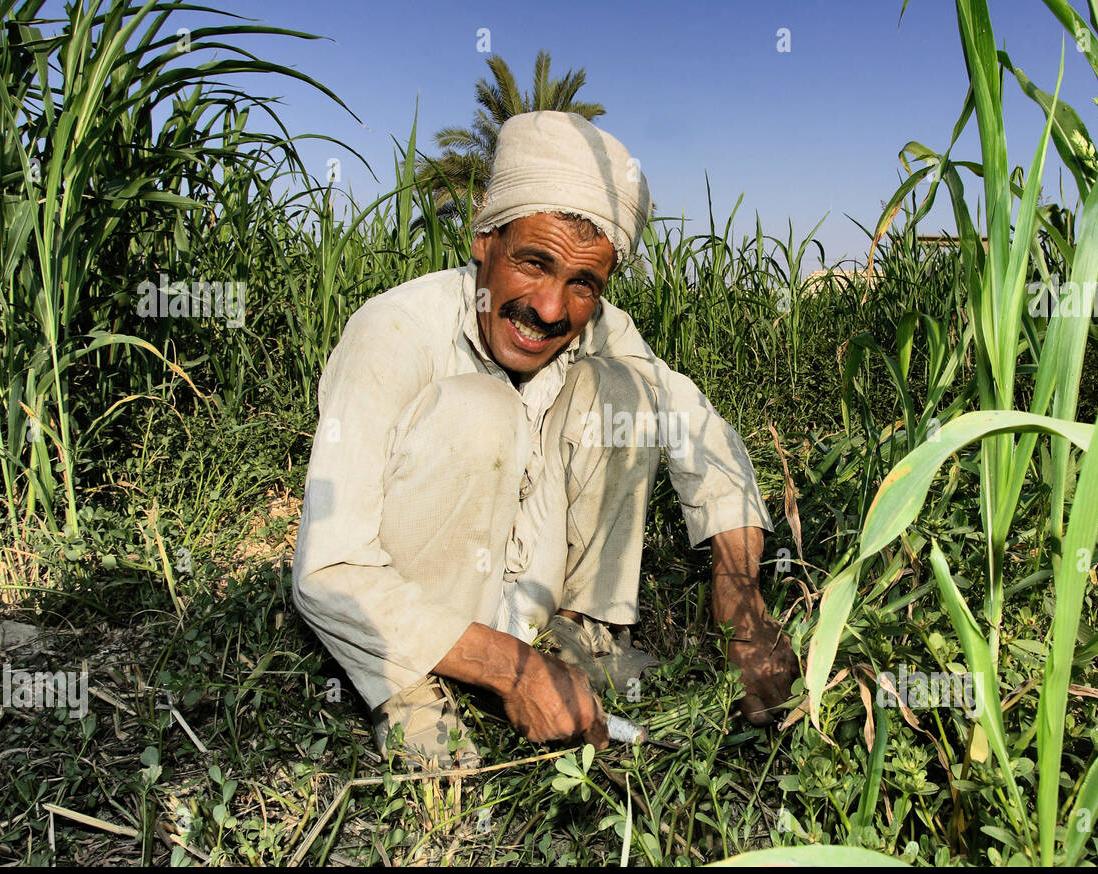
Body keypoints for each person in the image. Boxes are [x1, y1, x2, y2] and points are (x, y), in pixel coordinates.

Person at [291, 111, 798, 769]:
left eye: (582, 283)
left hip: (531, 591)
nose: (552, 309)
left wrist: (741, 599)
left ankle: (574, 632)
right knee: (484, 412)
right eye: (534, 263)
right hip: (417, 604)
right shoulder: (392, 334)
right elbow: (326, 573)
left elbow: (699, 429)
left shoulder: (599, 330)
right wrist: (508, 669)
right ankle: (413, 685)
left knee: (626, 391)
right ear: (484, 238)